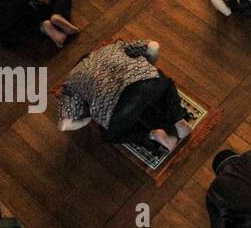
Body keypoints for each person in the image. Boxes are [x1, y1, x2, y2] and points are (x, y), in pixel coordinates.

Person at [57, 39, 193, 153]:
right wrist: (148, 67)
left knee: (111, 135)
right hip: (147, 83)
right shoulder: (111, 48)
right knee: (167, 86)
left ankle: (152, 135)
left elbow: (64, 125)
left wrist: (88, 118)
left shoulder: (72, 81)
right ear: (92, 54)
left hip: (118, 110)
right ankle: (178, 119)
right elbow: (153, 46)